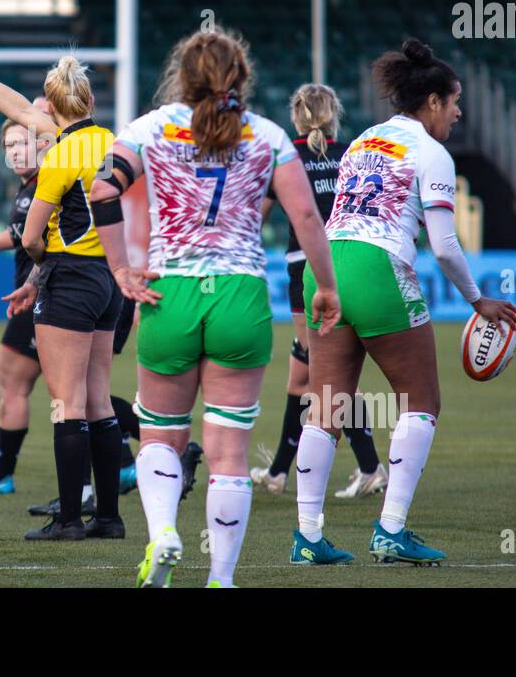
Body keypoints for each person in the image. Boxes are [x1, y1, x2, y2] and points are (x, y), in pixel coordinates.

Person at [90, 29, 340, 587]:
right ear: (241, 75)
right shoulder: (269, 136)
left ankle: (163, 535)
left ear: (184, 74)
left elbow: (102, 190)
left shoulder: (151, 127)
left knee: (159, 434)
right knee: (229, 451)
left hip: (169, 293)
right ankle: (222, 580)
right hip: (241, 298)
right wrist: (325, 287)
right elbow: (306, 220)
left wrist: (121, 270)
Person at [292, 38, 516, 567]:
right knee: (422, 402)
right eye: (455, 101)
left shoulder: (365, 138)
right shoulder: (432, 152)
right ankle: (391, 529)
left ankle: (307, 536)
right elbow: (443, 245)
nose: (459, 113)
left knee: (324, 407)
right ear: (432, 101)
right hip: (377, 269)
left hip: (323, 265)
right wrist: (477, 299)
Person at [0, 42, 125, 541]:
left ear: (53, 107)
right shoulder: (109, 142)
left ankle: (68, 519)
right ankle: (107, 517)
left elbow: (29, 237)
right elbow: (18, 108)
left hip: (69, 277)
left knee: (66, 403)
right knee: (98, 402)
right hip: (110, 279)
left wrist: (39, 271)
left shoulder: (60, 154)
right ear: (88, 104)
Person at [0, 115, 144, 501]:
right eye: (8, 146)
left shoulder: (51, 177)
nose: (15, 152)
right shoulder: (69, 167)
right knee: (86, 394)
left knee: (56, 395)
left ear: (42, 144)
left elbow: (27, 236)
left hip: (58, 292)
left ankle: (31, 482)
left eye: (22, 143)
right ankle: (134, 460)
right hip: (88, 286)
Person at [253, 83, 387, 500]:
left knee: (328, 371)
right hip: (348, 264)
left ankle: (370, 466)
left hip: (305, 270)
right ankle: (278, 472)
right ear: (333, 115)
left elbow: (257, 217)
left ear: (297, 116)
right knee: (303, 376)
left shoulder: (287, 155)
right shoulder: (351, 153)